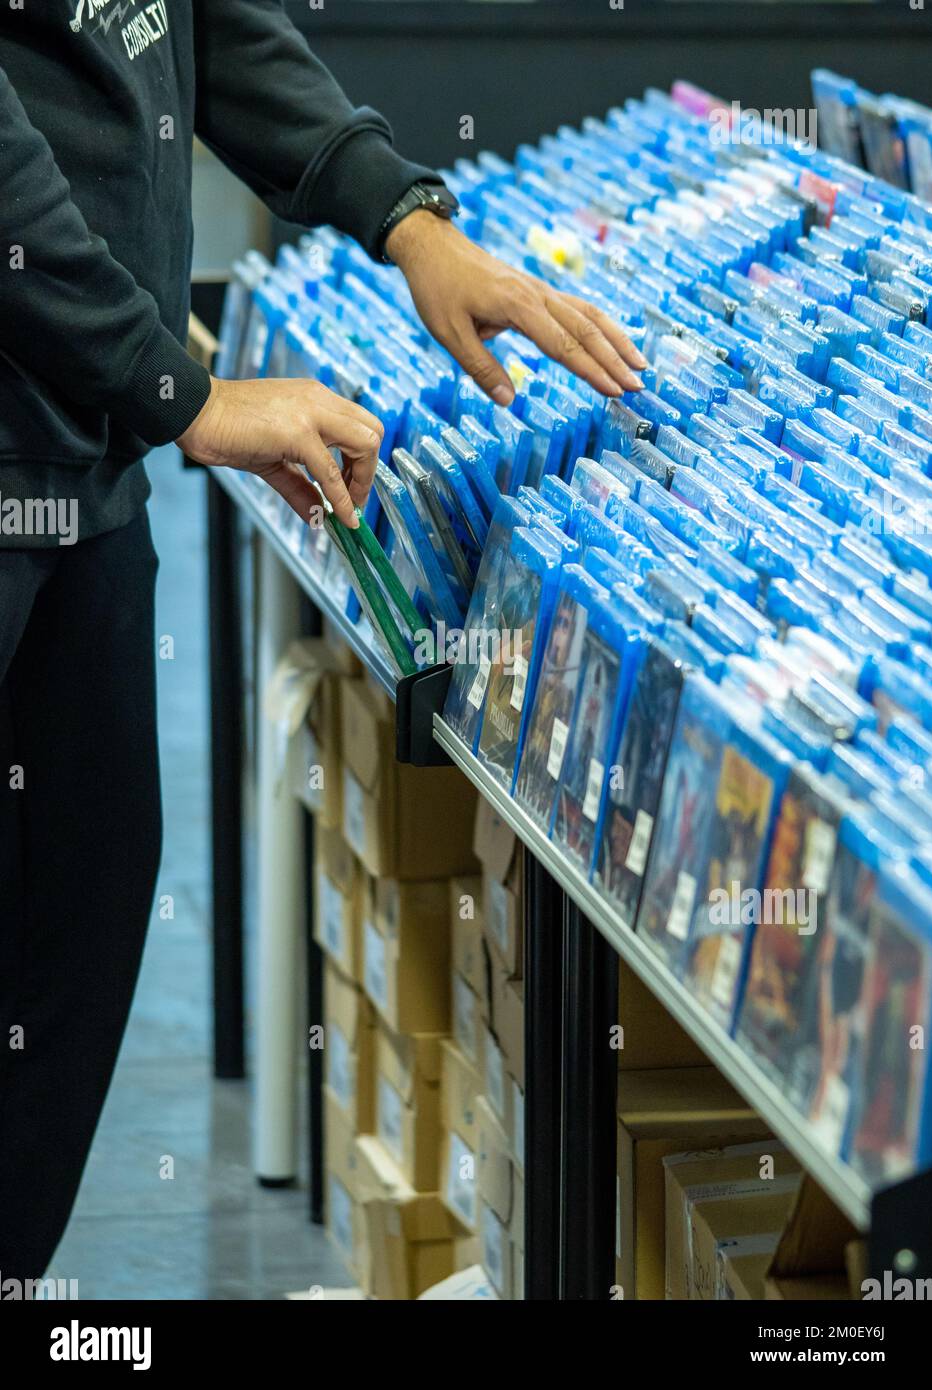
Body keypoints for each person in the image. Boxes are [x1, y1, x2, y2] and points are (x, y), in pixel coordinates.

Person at [0, 1, 645, 1284]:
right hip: (65, 407)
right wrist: (179, 389)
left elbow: (197, 21)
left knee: (85, 894)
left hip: (84, 456)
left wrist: (404, 220)